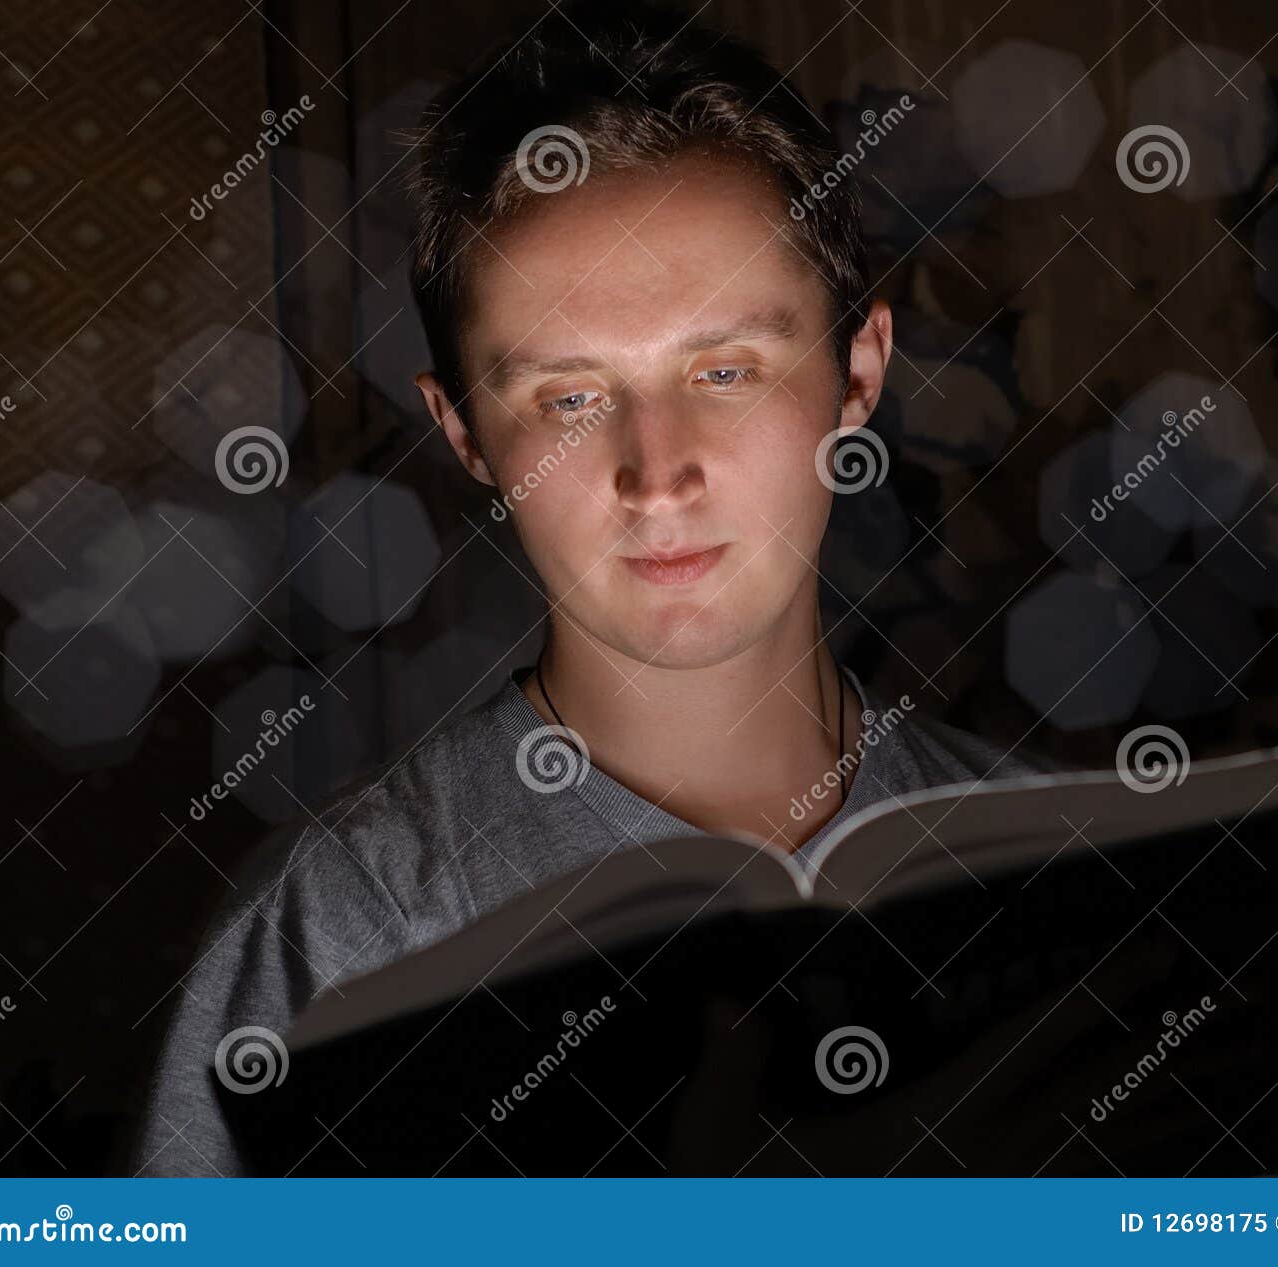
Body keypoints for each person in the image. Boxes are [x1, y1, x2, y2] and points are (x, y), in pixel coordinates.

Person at [130, 0, 1044, 1177]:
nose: (655, 475)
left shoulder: (1064, 860)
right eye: (565, 397)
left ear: (855, 372)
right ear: (466, 436)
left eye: (725, 370)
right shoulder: (344, 935)